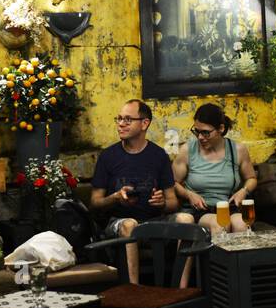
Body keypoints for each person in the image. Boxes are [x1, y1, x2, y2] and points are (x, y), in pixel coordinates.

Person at [90, 100, 181, 282]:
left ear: (144, 123)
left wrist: (162, 203)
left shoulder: (158, 155)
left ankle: (182, 290)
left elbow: (173, 202)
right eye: (119, 119)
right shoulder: (108, 156)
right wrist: (115, 197)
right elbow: (95, 202)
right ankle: (134, 291)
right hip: (120, 223)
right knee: (130, 225)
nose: (121, 124)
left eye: (128, 119)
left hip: (155, 222)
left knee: (186, 219)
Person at [173, 103, 257, 234]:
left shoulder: (237, 150)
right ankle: (216, 255)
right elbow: (172, 182)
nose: (200, 137)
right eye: (197, 131)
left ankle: (241, 255)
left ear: (221, 129)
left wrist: (243, 191)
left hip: (228, 206)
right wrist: (188, 194)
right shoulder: (187, 150)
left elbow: (251, 178)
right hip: (199, 210)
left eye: (206, 132)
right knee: (221, 224)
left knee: (242, 224)